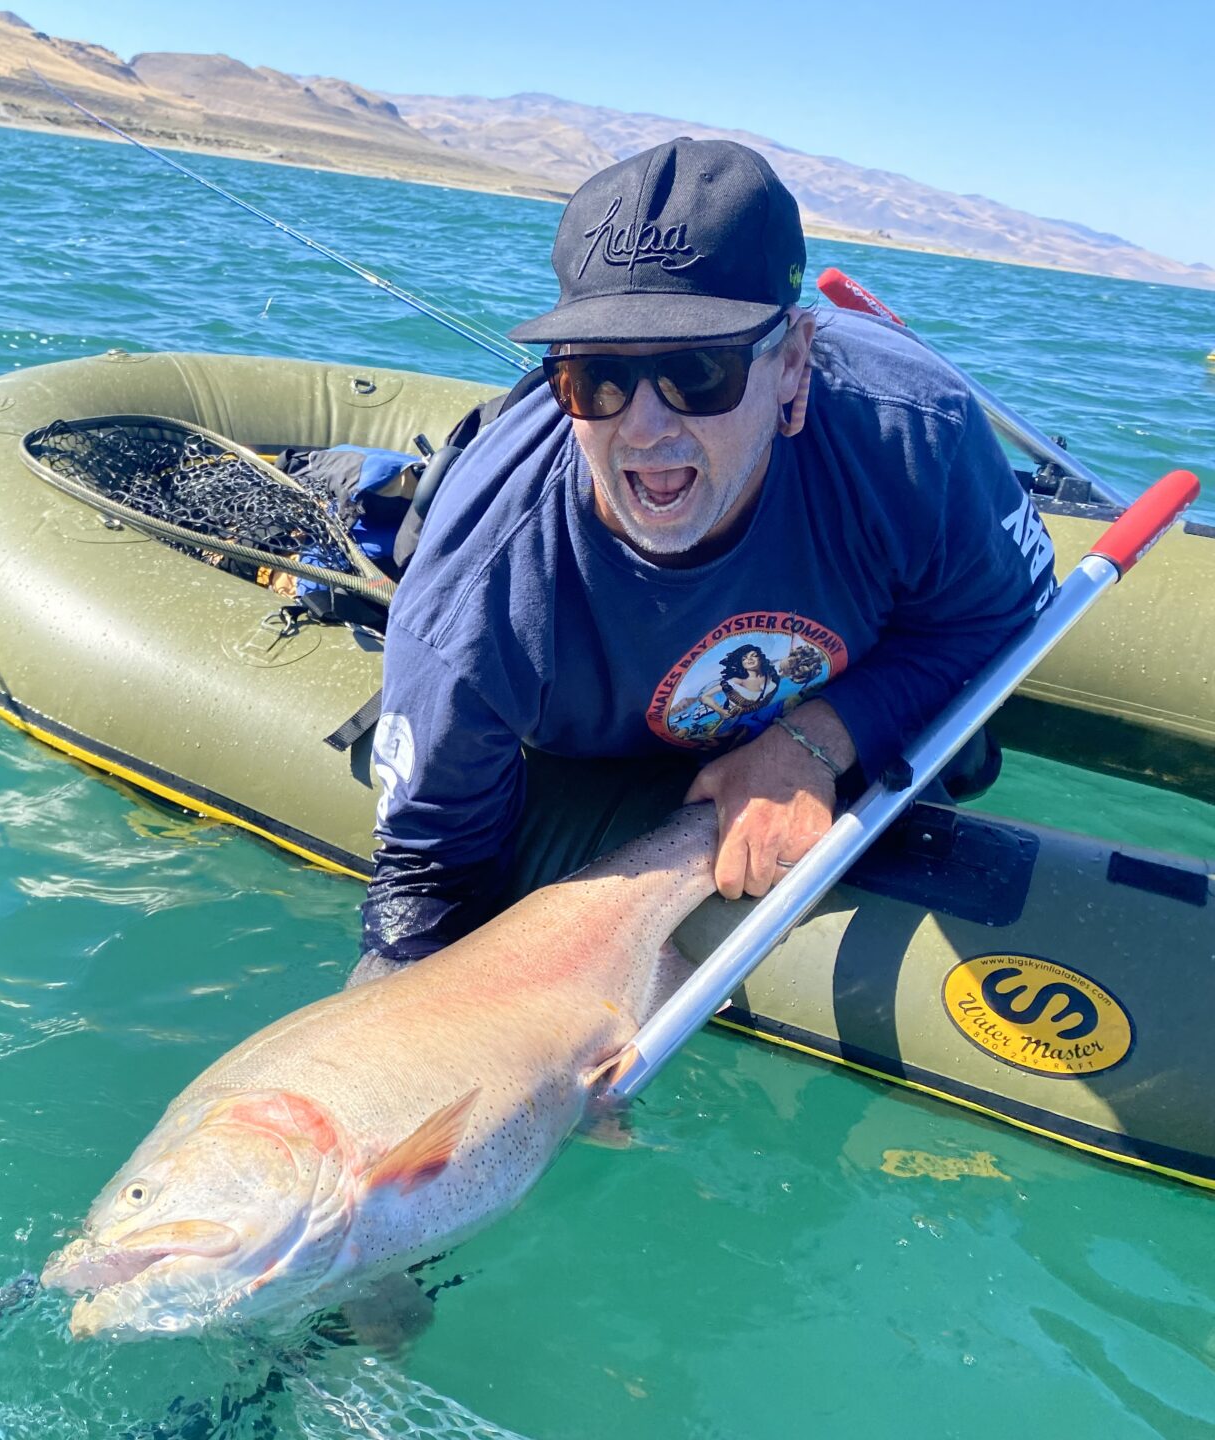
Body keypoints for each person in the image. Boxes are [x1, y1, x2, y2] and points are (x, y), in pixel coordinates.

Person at [356, 137, 1055, 981]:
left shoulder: (916, 438)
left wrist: (819, 738)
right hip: (520, 638)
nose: (645, 429)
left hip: (806, 706)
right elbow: (428, 885)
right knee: (394, 515)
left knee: (970, 751)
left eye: (698, 371)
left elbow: (1005, 622)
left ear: (793, 361)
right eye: (596, 377)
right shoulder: (476, 600)